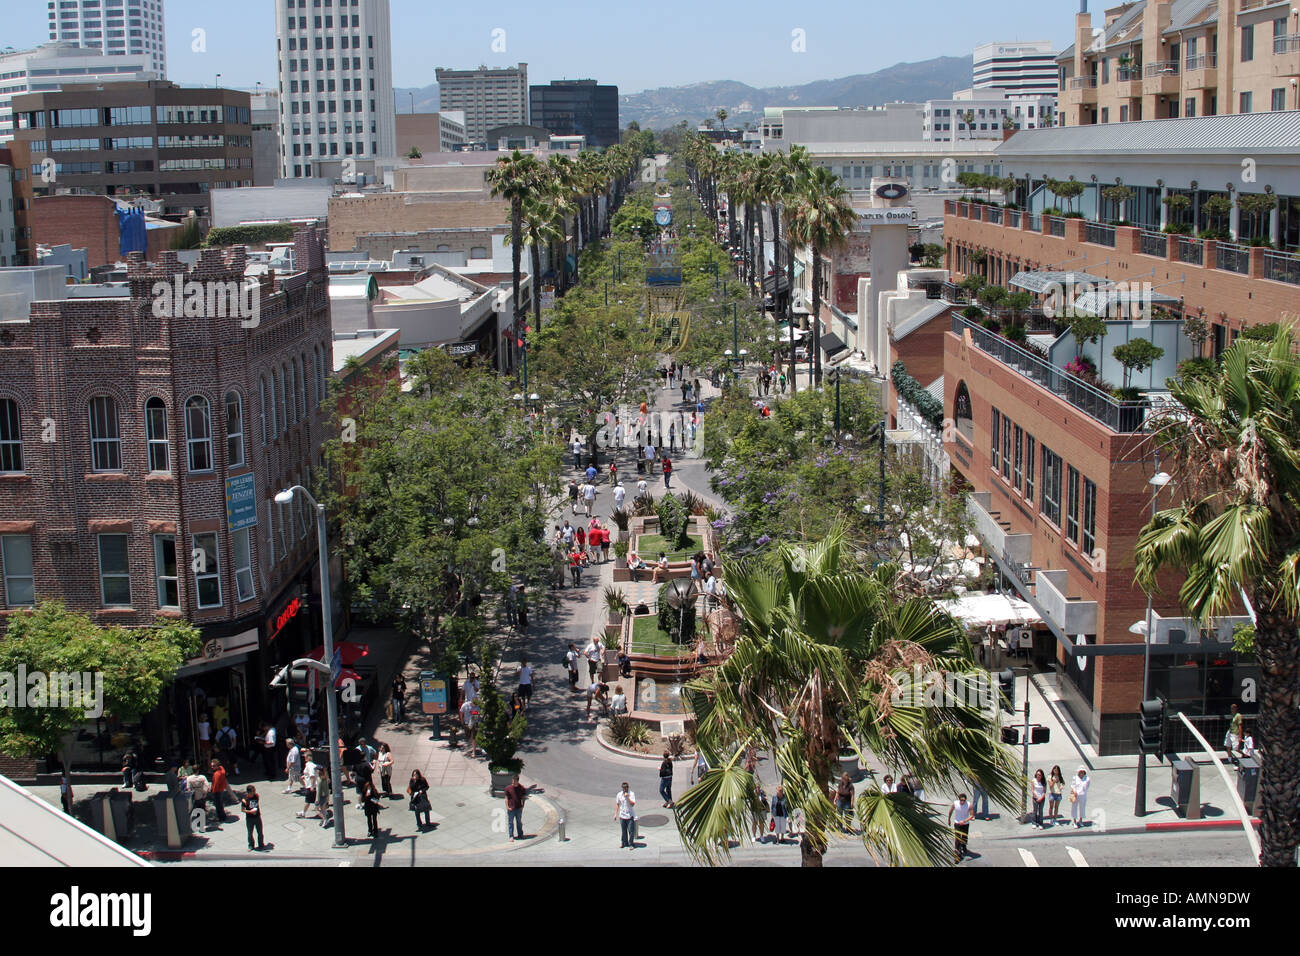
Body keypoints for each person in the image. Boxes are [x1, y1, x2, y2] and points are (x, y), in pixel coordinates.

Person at [949, 793, 974, 862]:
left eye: (964, 800)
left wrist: (964, 821)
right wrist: (949, 819)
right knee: (957, 838)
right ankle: (957, 854)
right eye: (961, 800)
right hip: (957, 823)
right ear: (959, 799)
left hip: (965, 824)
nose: (962, 802)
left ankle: (964, 846)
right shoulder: (955, 803)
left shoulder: (969, 804)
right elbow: (950, 811)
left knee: (964, 838)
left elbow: (972, 815)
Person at [240, 785, 265, 851]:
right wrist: (250, 811)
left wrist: (254, 810)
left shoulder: (256, 796)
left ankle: (261, 844)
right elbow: (242, 810)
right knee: (250, 833)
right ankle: (251, 845)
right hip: (249, 818)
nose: (254, 792)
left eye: (254, 791)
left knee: (260, 832)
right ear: (248, 792)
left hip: (257, 817)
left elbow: (255, 805)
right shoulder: (244, 800)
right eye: (253, 791)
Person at [504, 774, 527, 841]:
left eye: (514, 781)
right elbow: (506, 798)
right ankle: (511, 836)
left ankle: (520, 834)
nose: (513, 782)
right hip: (511, 809)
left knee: (519, 822)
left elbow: (523, 797)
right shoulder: (508, 788)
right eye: (512, 781)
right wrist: (507, 807)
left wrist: (523, 806)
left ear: (517, 781)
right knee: (510, 823)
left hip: (518, 808)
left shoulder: (521, 788)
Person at [615, 782, 637, 848]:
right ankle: (624, 842)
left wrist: (627, 797)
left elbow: (632, 804)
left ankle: (631, 844)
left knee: (631, 831)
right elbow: (617, 804)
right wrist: (615, 814)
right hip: (622, 815)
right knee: (623, 831)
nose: (625, 789)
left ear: (628, 787)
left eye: (626, 788)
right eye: (623, 788)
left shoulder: (631, 794)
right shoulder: (619, 794)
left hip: (630, 815)